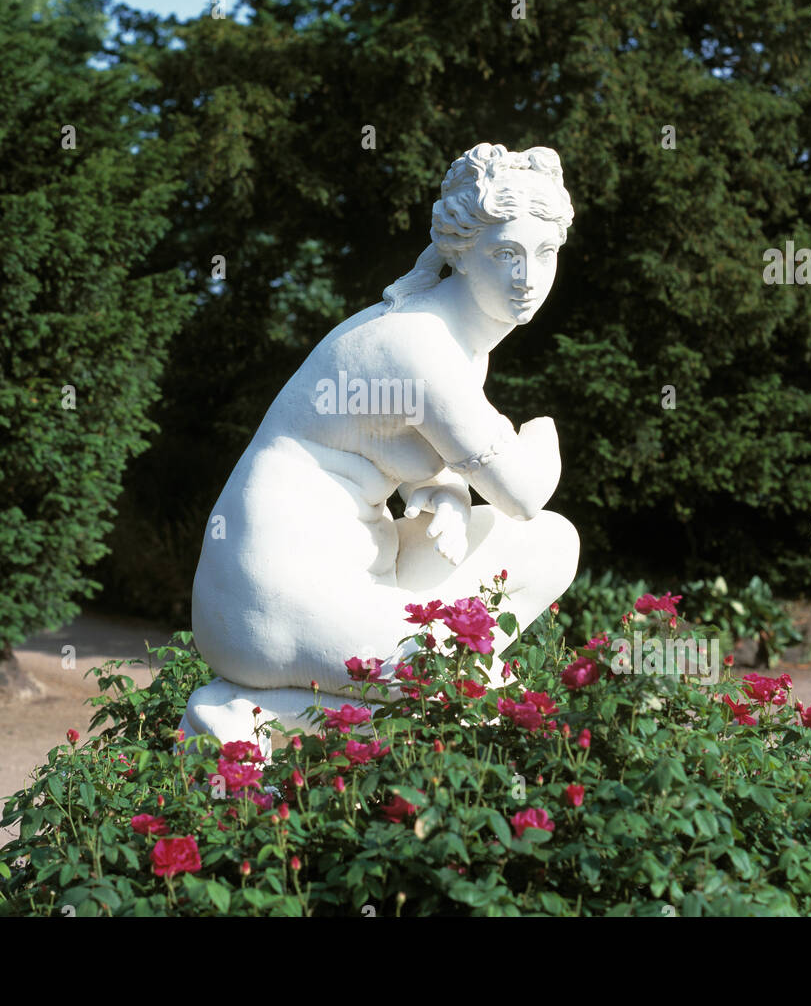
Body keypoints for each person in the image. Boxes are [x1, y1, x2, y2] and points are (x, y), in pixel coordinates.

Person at [181, 143, 580, 747]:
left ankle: (270, 709)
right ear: (462, 255)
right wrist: (543, 438)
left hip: (364, 566)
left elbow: (394, 442)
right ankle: (243, 716)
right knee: (461, 696)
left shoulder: (454, 339)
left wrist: (442, 490)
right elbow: (521, 490)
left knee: (550, 546)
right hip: (266, 591)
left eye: (545, 253)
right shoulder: (417, 344)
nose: (529, 278)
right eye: (506, 254)